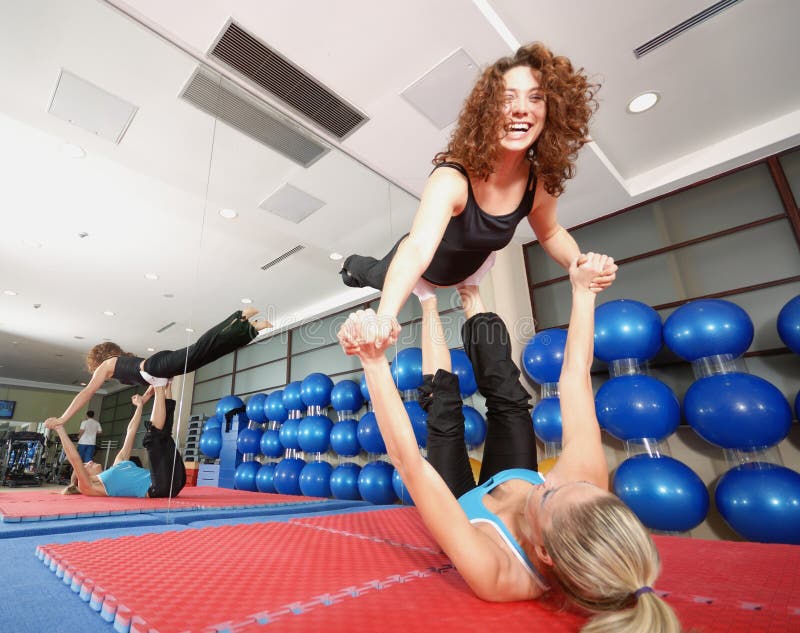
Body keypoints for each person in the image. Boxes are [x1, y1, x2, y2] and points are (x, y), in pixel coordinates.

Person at [338, 253, 682, 633]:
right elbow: (575, 379)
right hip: (511, 477)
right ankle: (469, 290)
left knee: (443, 411)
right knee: (509, 400)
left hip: (462, 505)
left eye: (549, 496)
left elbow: (409, 463)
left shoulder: (498, 572)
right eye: (579, 486)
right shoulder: (583, 487)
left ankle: (427, 298)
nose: (552, 479)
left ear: (544, 553)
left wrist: (372, 361)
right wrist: (583, 292)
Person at [340, 42, 616, 344]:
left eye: (535, 97)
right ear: (488, 112)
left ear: (551, 112)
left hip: (468, 273)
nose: (521, 108)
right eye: (508, 98)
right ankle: (350, 264)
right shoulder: (452, 179)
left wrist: (579, 264)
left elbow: (549, 233)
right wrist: (385, 316)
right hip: (423, 269)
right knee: (375, 274)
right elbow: (418, 249)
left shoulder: (539, 185)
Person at [45, 308, 271, 430]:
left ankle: (239, 317)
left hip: (157, 365)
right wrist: (143, 401)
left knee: (199, 350)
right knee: (206, 355)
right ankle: (251, 330)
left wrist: (63, 419)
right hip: (159, 367)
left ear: (98, 360)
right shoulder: (123, 366)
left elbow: (86, 393)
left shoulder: (106, 366)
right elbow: (151, 383)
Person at [51, 384, 185, 498]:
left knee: (164, 434)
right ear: (82, 477)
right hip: (160, 488)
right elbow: (75, 460)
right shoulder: (91, 486)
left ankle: (166, 385)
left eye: (87, 463)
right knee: (152, 439)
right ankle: (159, 386)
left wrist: (139, 406)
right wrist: (59, 428)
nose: (90, 461)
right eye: (86, 465)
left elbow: (131, 431)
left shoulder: (119, 463)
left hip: (174, 479)